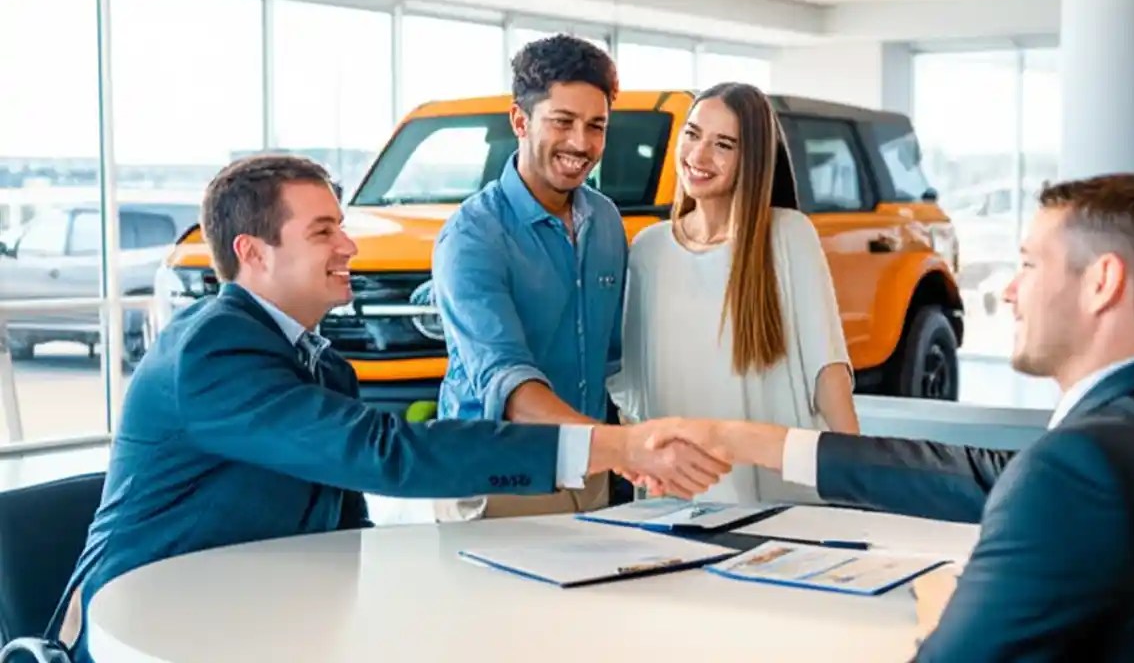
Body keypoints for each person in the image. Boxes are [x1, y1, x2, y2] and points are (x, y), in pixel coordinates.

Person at [51, 154, 729, 663]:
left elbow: (348, 527)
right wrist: (614, 446)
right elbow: (386, 453)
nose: (348, 246)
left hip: (259, 617)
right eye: (323, 232)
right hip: (143, 632)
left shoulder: (325, 365)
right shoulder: (210, 351)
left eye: (342, 227)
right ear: (252, 253)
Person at [644, 173, 1134, 660]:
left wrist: (955, 611)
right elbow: (975, 476)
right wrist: (735, 438)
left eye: (1030, 264)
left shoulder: (1079, 467)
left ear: (1102, 282)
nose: (1009, 291)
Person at [606, 82, 858, 504]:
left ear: (751, 159)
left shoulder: (788, 235)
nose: (699, 155)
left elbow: (827, 370)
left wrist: (860, 476)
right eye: (692, 134)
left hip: (783, 497)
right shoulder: (648, 250)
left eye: (723, 144)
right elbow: (631, 392)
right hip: (678, 501)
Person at [429, 34, 630, 519]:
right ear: (520, 121)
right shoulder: (472, 236)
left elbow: (614, 359)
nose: (581, 143)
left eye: (596, 126)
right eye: (562, 121)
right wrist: (623, 447)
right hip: (499, 474)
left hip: (588, 469)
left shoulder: (605, 221)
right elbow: (508, 385)